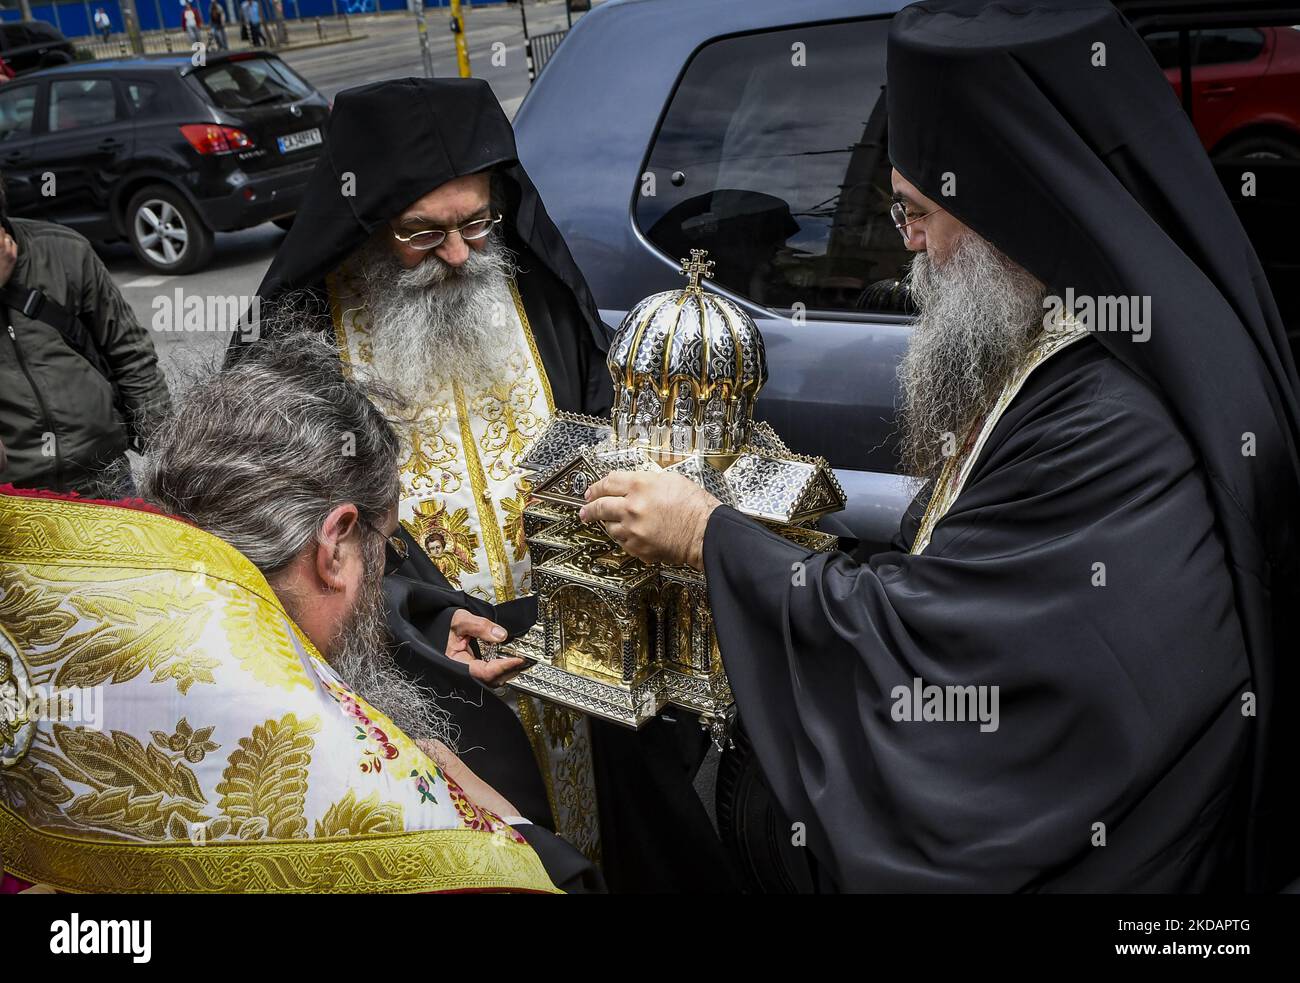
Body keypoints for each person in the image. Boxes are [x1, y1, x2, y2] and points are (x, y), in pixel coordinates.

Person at [580, 0, 1300, 892]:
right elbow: (976, 580)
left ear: (1016, 210)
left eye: (917, 212)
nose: (906, 244)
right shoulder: (1069, 334)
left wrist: (710, 537)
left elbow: (967, 679)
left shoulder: (1117, 421)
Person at [229, 77, 735, 891]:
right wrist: (416, 618)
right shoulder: (297, 339)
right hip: (428, 687)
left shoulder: (534, 288)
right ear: (364, 220)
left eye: (474, 222)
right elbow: (270, 548)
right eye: (423, 234)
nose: (461, 254)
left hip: (582, 663)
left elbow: (603, 427)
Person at [0, 332, 595, 893]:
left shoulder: (99, 592)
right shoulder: (365, 795)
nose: (384, 575)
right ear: (334, 546)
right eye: (385, 549)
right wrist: (505, 828)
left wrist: (424, 619)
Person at [0, 177, 170, 495]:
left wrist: (168, 452)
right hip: (16, 497)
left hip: (102, 476)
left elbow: (130, 352)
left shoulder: (64, 250)